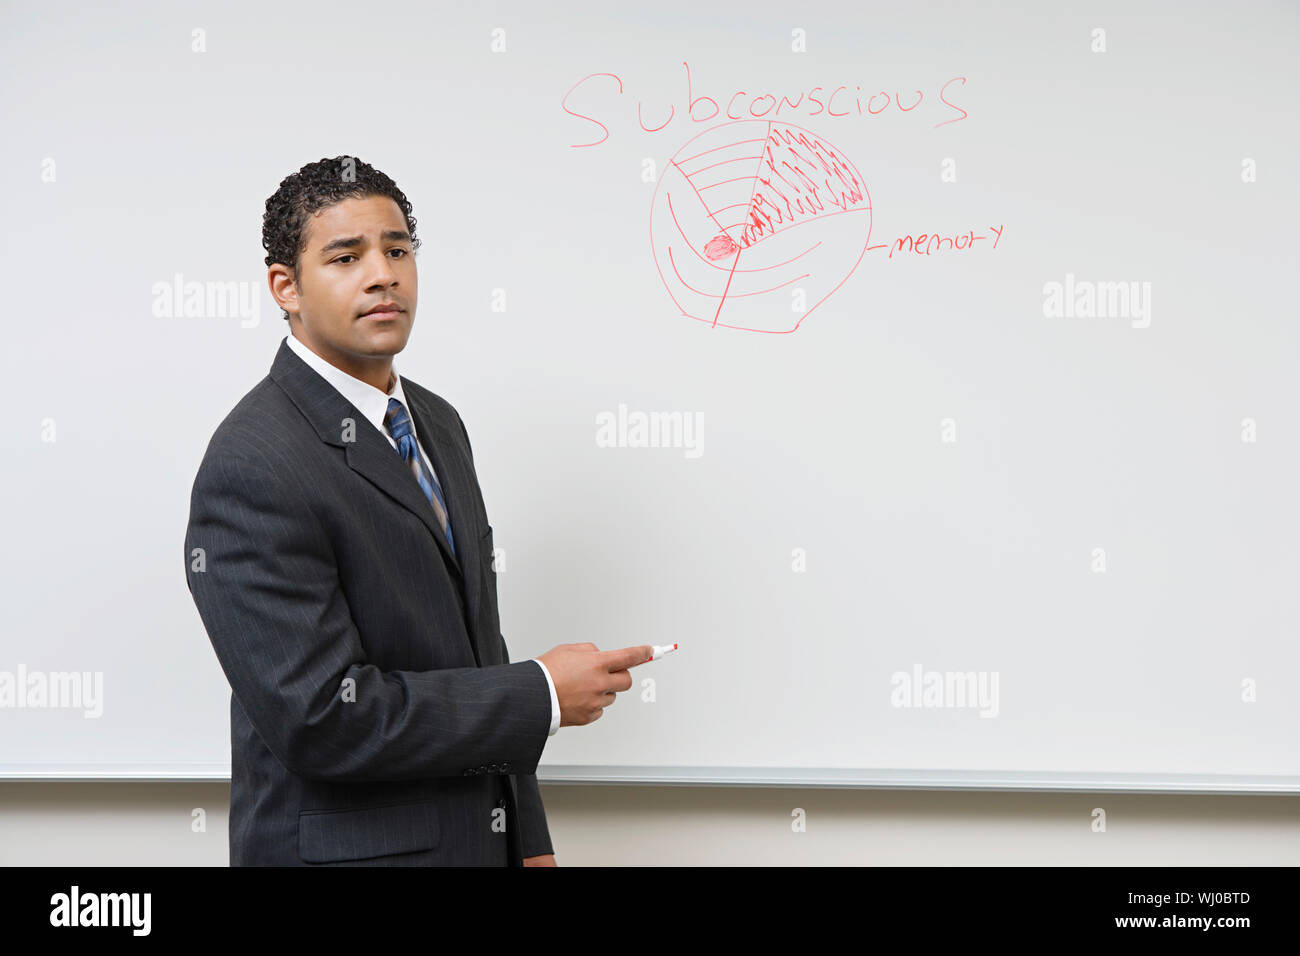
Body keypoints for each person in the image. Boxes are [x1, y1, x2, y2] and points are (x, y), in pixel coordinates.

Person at [183, 155, 651, 866]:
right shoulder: (254, 462)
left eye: (398, 249)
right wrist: (542, 694)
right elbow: (321, 719)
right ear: (287, 288)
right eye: (346, 257)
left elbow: (475, 649)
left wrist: (526, 839)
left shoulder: (436, 421)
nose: (384, 275)